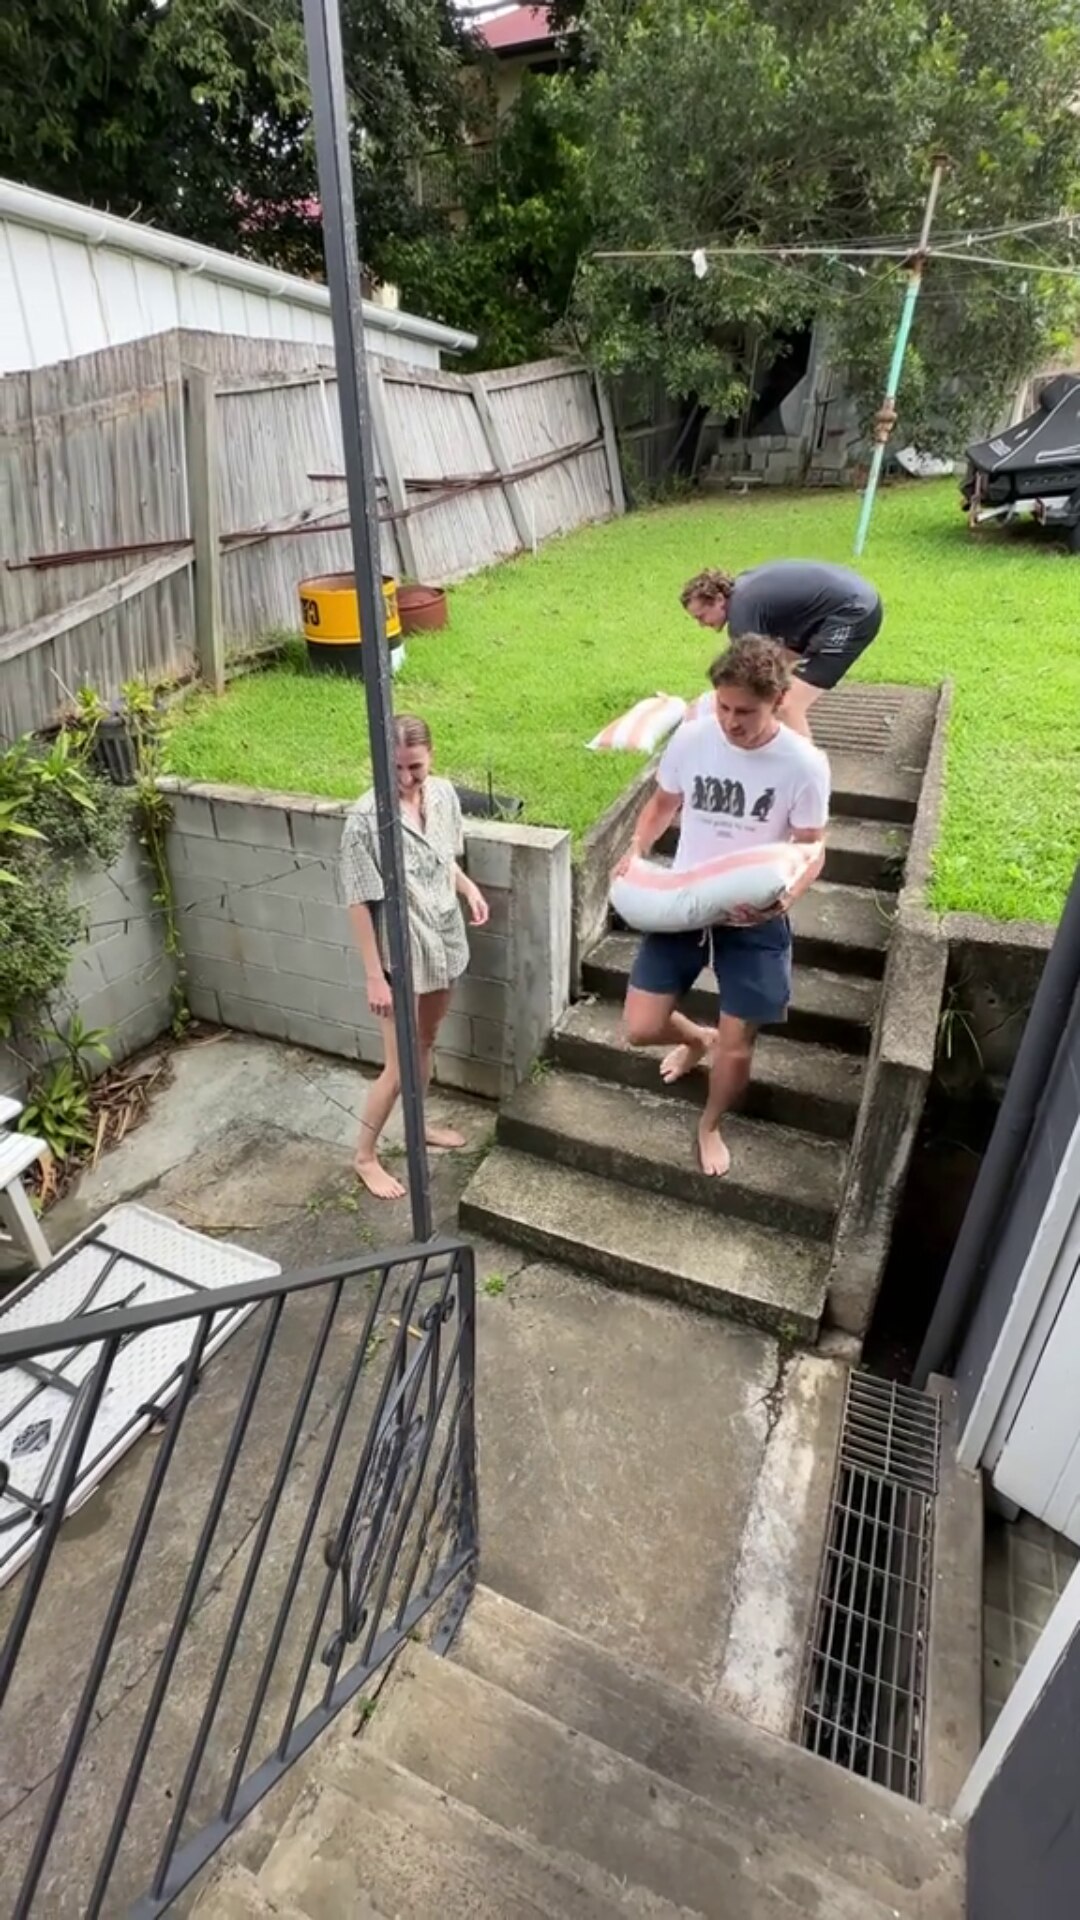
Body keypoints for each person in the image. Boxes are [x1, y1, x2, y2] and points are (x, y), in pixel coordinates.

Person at [616, 637, 829, 1178]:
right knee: (640, 1027)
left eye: (745, 712)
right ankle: (697, 1039)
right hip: (685, 901)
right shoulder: (693, 738)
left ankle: (709, 1123)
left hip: (752, 918)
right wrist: (636, 850)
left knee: (738, 1050)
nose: (731, 722)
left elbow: (811, 844)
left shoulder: (803, 764)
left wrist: (789, 896)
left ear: (778, 699)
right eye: (723, 706)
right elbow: (663, 803)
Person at [339, 714, 489, 1199]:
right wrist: (373, 977)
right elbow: (358, 899)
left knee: (426, 1040)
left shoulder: (443, 795)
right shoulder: (366, 818)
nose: (405, 780)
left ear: (432, 760)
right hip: (399, 951)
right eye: (397, 768)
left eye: (415, 769)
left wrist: (468, 889)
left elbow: (443, 859)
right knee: (400, 1062)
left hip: (443, 937)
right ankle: (364, 1155)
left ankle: (417, 1124)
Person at [680, 559, 883, 739]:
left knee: (788, 705)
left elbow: (742, 681)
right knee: (780, 668)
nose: (701, 624)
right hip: (852, 599)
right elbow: (776, 659)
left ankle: (807, 773)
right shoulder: (743, 591)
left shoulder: (742, 616)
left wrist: (701, 709)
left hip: (854, 613)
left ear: (719, 600)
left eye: (701, 616)